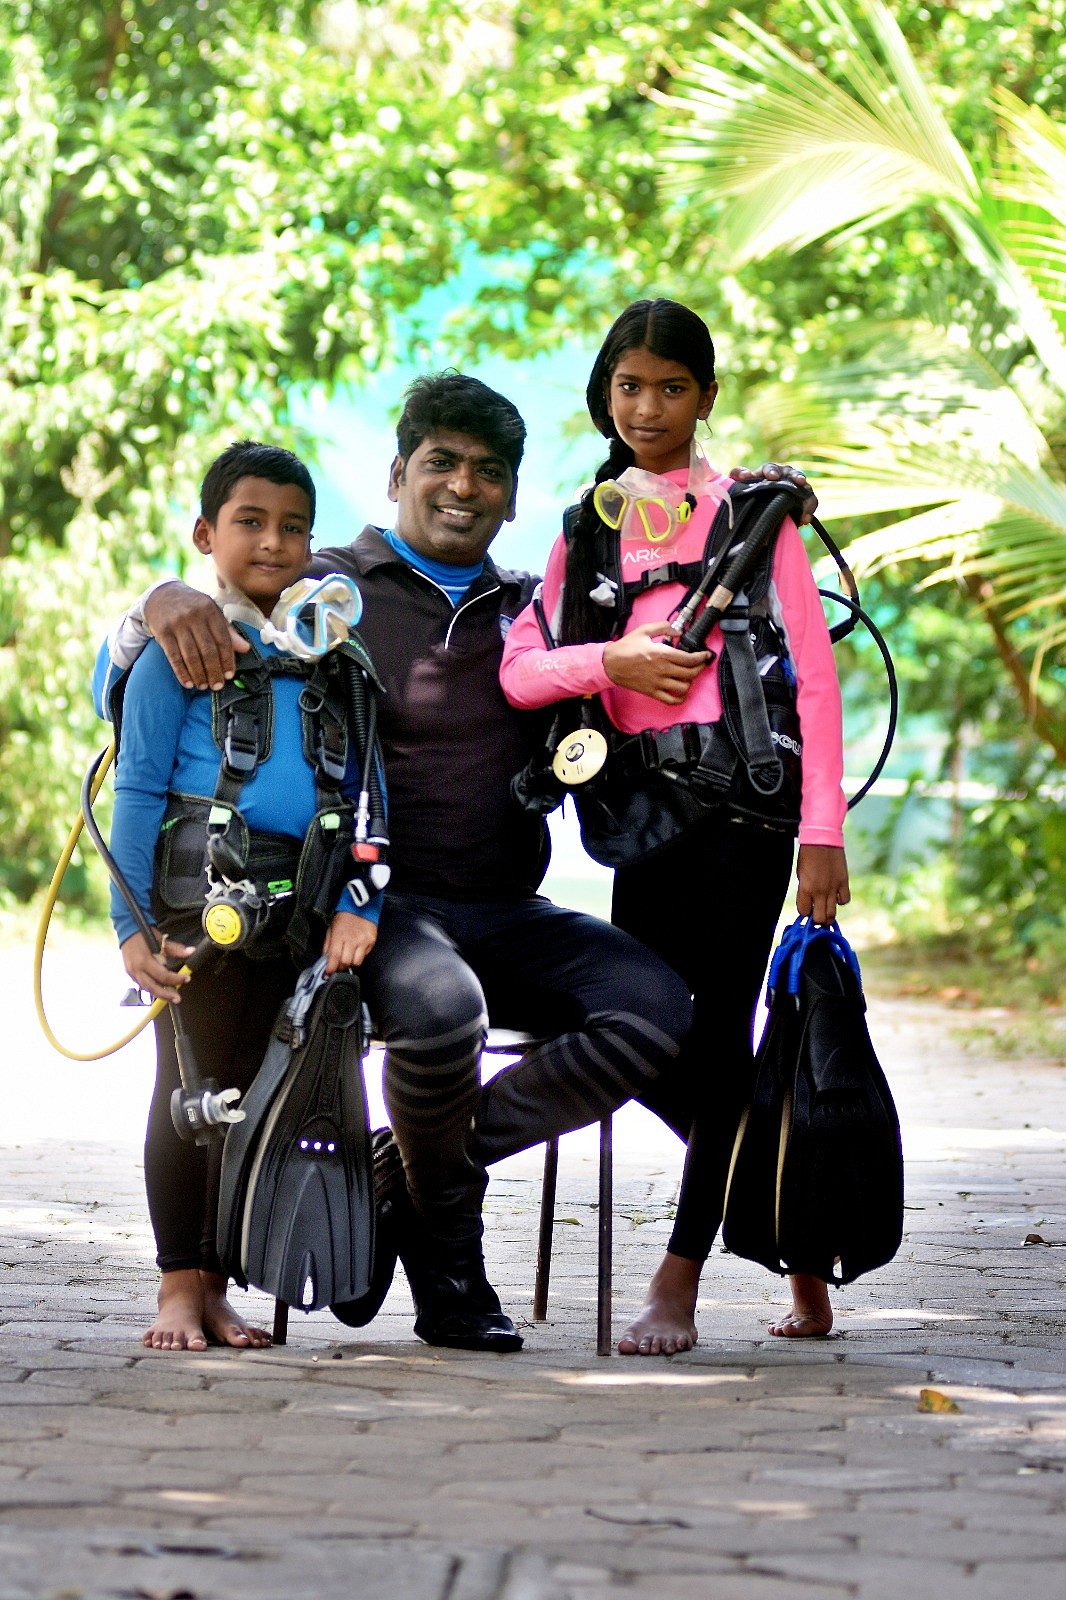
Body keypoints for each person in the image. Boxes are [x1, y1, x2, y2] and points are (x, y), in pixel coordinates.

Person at [101, 376, 695, 1355]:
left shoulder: (541, 607)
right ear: (398, 475)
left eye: (489, 471)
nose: (464, 484)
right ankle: (454, 1274)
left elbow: (635, 674)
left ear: (510, 493)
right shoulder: (323, 591)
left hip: (510, 905)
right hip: (375, 917)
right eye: (442, 462)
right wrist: (158, 599)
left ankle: (393, 1176)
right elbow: (161, 662)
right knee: (439, 1015)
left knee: (655, 1009)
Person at [499, 299, 851, 1354]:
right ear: (603, 393)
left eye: (670, 386)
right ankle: (797, 1230)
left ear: (704, 396)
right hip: (639, 822)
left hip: (748, 822)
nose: (647, 406)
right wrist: (613, 660)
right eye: (628, 385)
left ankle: (679, 1277)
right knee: (649, 1037)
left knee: (723, 1032)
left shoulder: (754, 517)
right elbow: (522, 670)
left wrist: (821, 833)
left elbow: (819, 680)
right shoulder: (584, 525)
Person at [104, 440, 382, 1352]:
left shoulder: (339, 661)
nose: (274, 542)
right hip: (195, 906)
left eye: (294, 526)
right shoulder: (175, 653)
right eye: (250, 522)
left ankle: (218, 1284)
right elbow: (137, 792)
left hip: (302, 908)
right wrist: (131, 924)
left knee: (256, 1097)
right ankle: (177, 1286)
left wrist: (360, 904)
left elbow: (374, 798)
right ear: (205, 533)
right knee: (189, 1092)